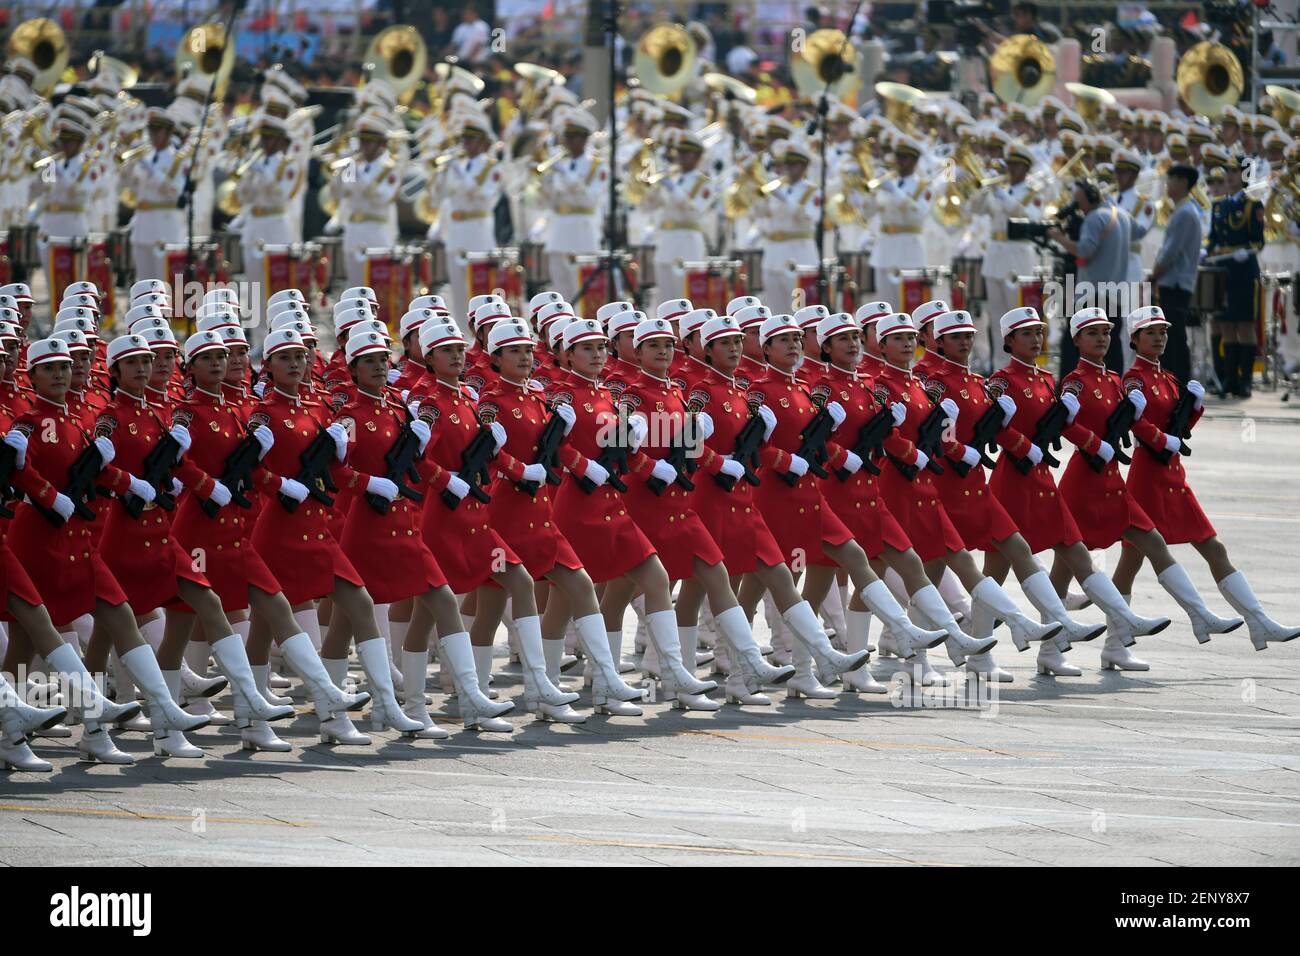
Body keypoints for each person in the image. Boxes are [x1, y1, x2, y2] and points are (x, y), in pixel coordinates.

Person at [1113, 306, 1300, 652]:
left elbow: (1179, 432)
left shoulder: (1168, 379)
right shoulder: (1133, 379)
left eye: (1163, 332)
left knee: (1211, 546)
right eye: (1151, 332)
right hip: (1147, 475)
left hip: (1172, 473)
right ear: (1135, 339)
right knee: (1132, 558)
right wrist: (1158, 438)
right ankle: (1114, 642)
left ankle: (1258, 622)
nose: (1159, 338)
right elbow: (1133, 422)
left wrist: (1194, 409)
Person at [1047, 179, 1133, 372]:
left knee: (1074, 341)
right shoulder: (1123, 216)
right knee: (1111, 344)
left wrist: (1059, 238)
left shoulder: (1094, 218)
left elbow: (1085, 251)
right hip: (1115, 291)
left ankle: (1067, 389)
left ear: (1091, 198)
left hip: (1091, 293)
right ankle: (1115, 388)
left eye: (1079, 202)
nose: (1078, 208)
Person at [1205, 157, 1265, 398]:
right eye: (1227, 171)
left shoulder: (1253, 205)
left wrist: (1246, 250)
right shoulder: (1218, 206)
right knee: (1227, 326)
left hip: (1243, 271)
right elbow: (1213, 238)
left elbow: (1259, 241)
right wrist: (1207, 251)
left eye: (1234, 171)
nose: (1229, 176)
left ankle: (1246, 380)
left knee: (1245, 325)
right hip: (1223, 271)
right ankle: (1230, 380)